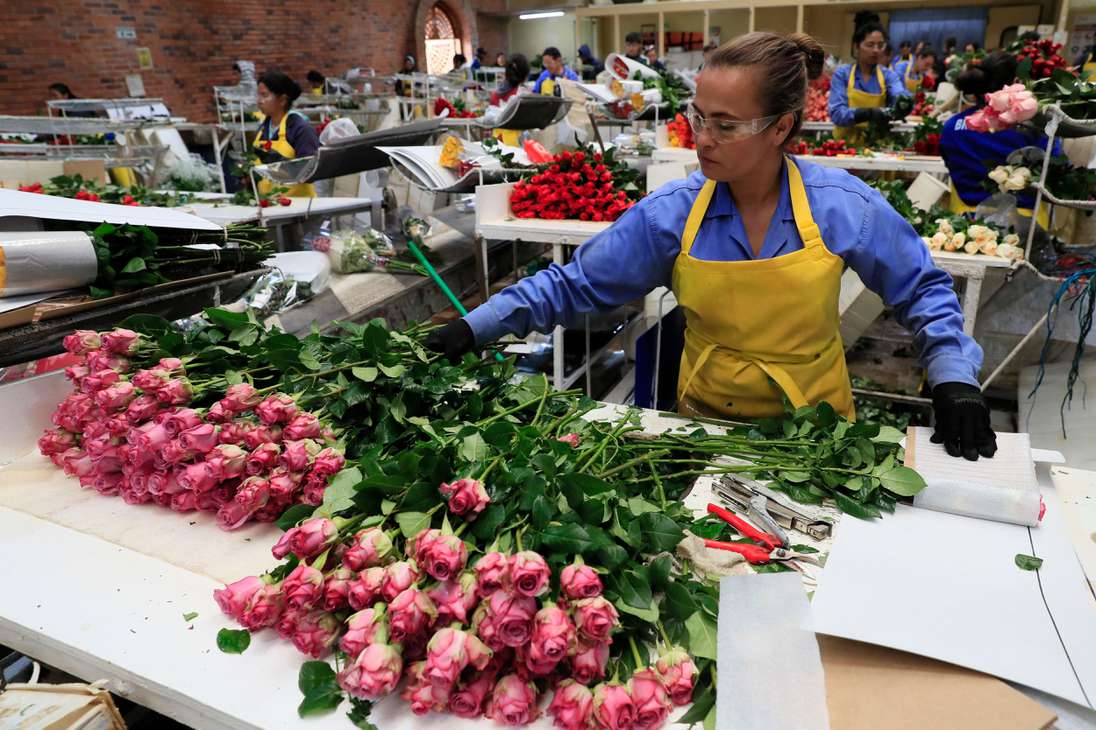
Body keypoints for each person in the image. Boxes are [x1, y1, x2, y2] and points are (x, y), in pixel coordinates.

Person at [427, 31, 995, 461]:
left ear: (781, 127)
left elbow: (921, 287)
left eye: (725, 126)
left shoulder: (842, 207)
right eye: (698, 117)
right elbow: (575, 285)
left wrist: (952, 376)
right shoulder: (671, 216)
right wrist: (474, 327)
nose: (702, 139)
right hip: (703, 435)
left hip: (818, 439)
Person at [939, 51, 1058, 227]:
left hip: (964, 227)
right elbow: (1055, 168)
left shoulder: (952, 127)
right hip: (1023, 227)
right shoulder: (1032, 128)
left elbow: (949, 161)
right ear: (1015, 84)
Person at [828, 16, 909, 143]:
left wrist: (904, 103)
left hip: (876, 145)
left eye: (880, 45)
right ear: (857, 47)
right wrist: (867, 113)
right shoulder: (843, 75)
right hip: (843, 146)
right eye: (870, 45)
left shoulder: (888, 76)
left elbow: (898, 93)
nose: (876, 50)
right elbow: (837, 114)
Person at [253, 70, 319, 198]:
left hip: (298, 206)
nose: (259, 101)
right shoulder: (263, 129)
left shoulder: (300, 129)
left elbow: (311, 173)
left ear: (282, 100)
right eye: (258, 95)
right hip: (270, 204)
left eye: (264, 95)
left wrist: (280, 162)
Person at [491, 54, 530, 146]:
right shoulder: (524, 94)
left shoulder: (496, 94)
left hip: (498, 141)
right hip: (518, 143)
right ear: (525, 75)